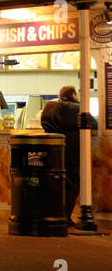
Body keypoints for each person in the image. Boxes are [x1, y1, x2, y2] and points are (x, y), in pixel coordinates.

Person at [41, 86, 98, 229]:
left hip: (54, 152)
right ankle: (65, 218)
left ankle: (54, 215)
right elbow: (94, 126)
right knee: (72, 186)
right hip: (73, 154)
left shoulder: (49, 107)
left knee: (56, 185)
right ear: (73, 94)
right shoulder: (77, 109)